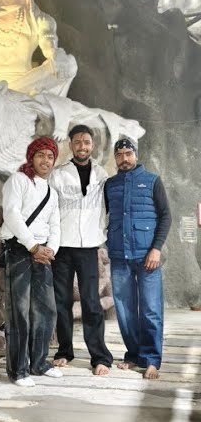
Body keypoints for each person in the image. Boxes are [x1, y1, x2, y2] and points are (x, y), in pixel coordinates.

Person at [48, 124, 114, 376]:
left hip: (89, 246)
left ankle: (100, 356)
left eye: (86, 142)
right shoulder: (58, 174)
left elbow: (108, 209)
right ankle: (64, 351)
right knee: (61, 301)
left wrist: (103, 232)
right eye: (77, 142)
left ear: (92, 145)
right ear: (70, 145)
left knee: (91, 301)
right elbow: (50, 209)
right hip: (62, 246)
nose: (82, 146)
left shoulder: (102, 175)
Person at [104, 137, 171, 380]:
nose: (124, 158)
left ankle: (152, 360)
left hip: (147, 257)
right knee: (125, 310)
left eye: (128, 153)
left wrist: (156, 248)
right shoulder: (110, 185)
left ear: (136, 155)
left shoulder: (152, 181)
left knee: (151, 309)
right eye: (119, 154)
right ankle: (133, 355)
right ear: (115, 157)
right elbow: (105, 216)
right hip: (119, 256)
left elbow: (165, 217)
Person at [1, 136, 63, 387]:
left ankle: (39, 363)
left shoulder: (51, 191)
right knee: (19, 312)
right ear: (31, 157)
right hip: (19, 248)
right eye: (41, 155)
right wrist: (33, 246)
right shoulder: (18, 180)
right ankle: (19, 370)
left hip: (43, 253)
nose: (45, 160)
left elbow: (55, 224)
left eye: (50, 156)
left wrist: (50, 249)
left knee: (46, 309)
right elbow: (11, 214)